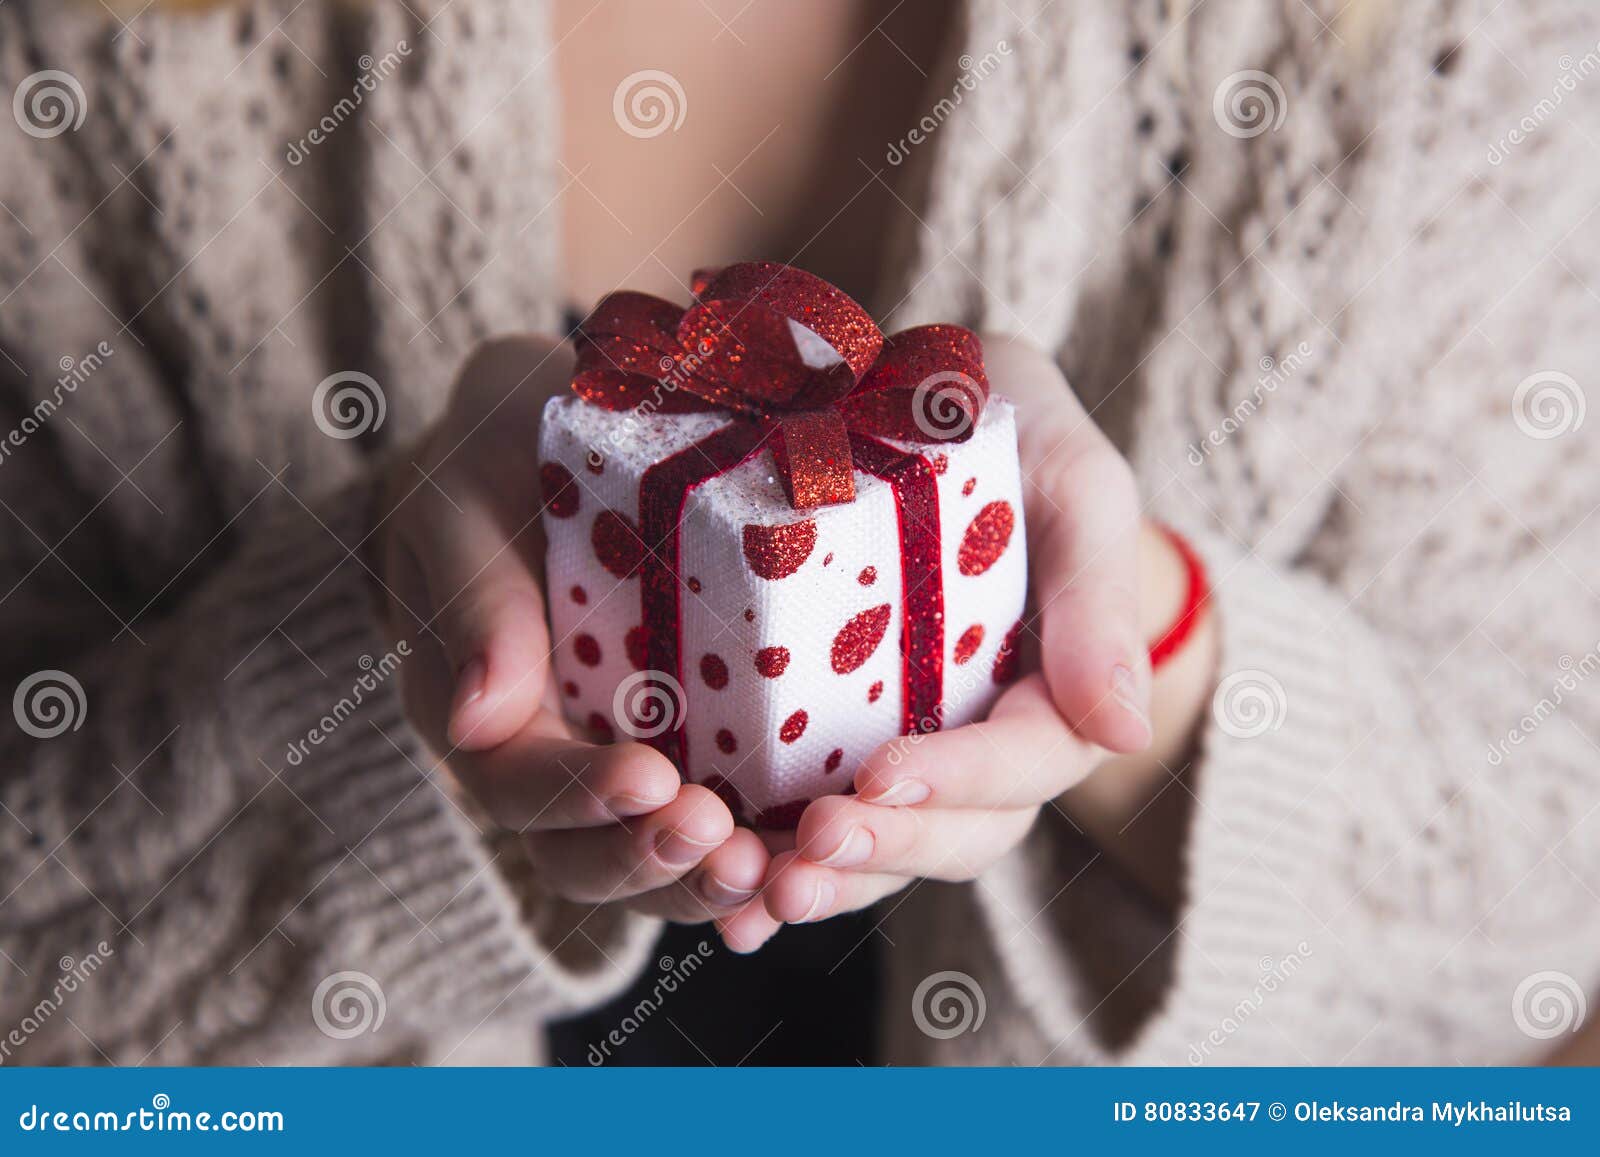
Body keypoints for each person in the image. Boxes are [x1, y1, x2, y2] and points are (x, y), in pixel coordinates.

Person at [1, 0, 1595, 1067]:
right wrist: (356, 642)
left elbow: (1553, 882)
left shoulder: (1444, 50)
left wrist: (1153, 670)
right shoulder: (66, 70)